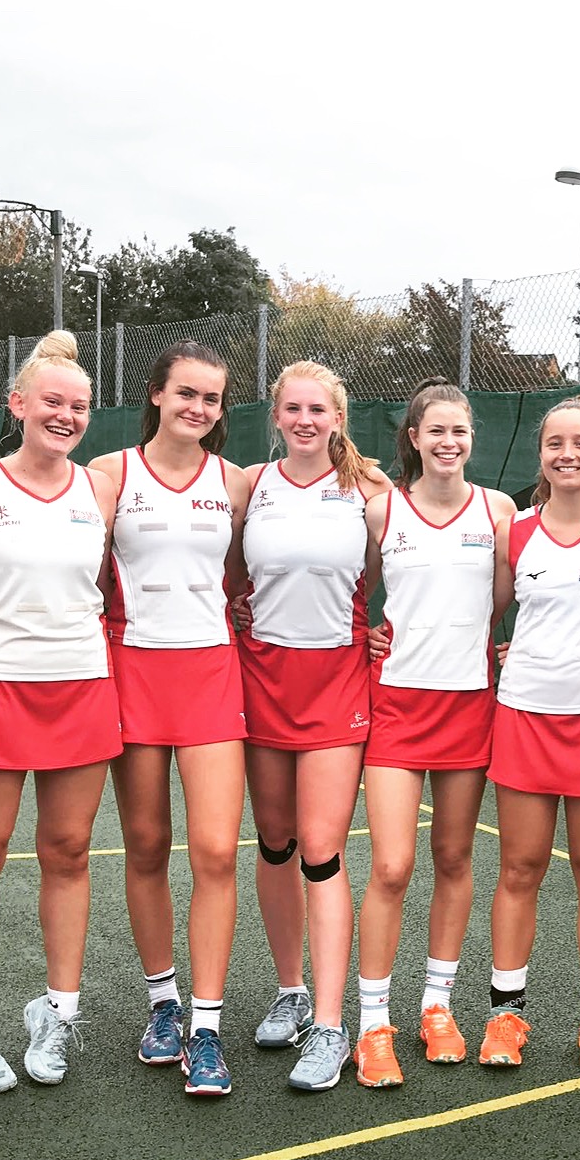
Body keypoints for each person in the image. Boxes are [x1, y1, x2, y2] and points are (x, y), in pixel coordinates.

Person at [0, 332, 121, 1091]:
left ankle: (59, 1010)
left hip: (81, 684)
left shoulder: (101, 489)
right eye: (52, 402)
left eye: (78, 406)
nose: (66, 416)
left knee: (69, 850)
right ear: (17, 405)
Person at [91, 343, 250, 1097]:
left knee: (216, 851)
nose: (199, 408)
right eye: (186, 392)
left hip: (212, 674)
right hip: (135, 672)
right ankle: (163, 1004)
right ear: (156, 394)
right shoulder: (111, 474)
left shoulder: (237, 482)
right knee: (148, 844)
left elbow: (249, 570)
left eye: (212, 399)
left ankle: (208, 1028)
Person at [353, 380, 515, 1086]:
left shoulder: (500, 511)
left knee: (454, 859)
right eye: (436, 431)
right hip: (396, 708)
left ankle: (436, 1006)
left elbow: (509, 601)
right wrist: (367, 636)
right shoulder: (381, 510)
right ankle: (373, 1024)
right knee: (391, 866)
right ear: (413, 437)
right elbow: (353, 592)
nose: (449, 443)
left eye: (461, 432)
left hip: (470, 706)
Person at [481, 395, 580, 1072]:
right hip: (524, 715)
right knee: (519, 868)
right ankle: (504, 1015)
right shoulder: (513, 533)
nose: (567, 454)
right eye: (555, 443)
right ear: (541, 455)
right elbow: (480, 614)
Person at [238, 359, 389, 1091]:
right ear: (277, 415)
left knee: (321, 851)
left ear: (338, 418)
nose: (304, 421)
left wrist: (394, 633)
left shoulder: (371, 492)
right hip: (261, 680)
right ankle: (291, 991)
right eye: (292, 409)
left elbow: (431, 569)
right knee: (275, 843)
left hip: (336, 683)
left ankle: (332, 1027)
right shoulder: (247, 486)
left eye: (317, 411)